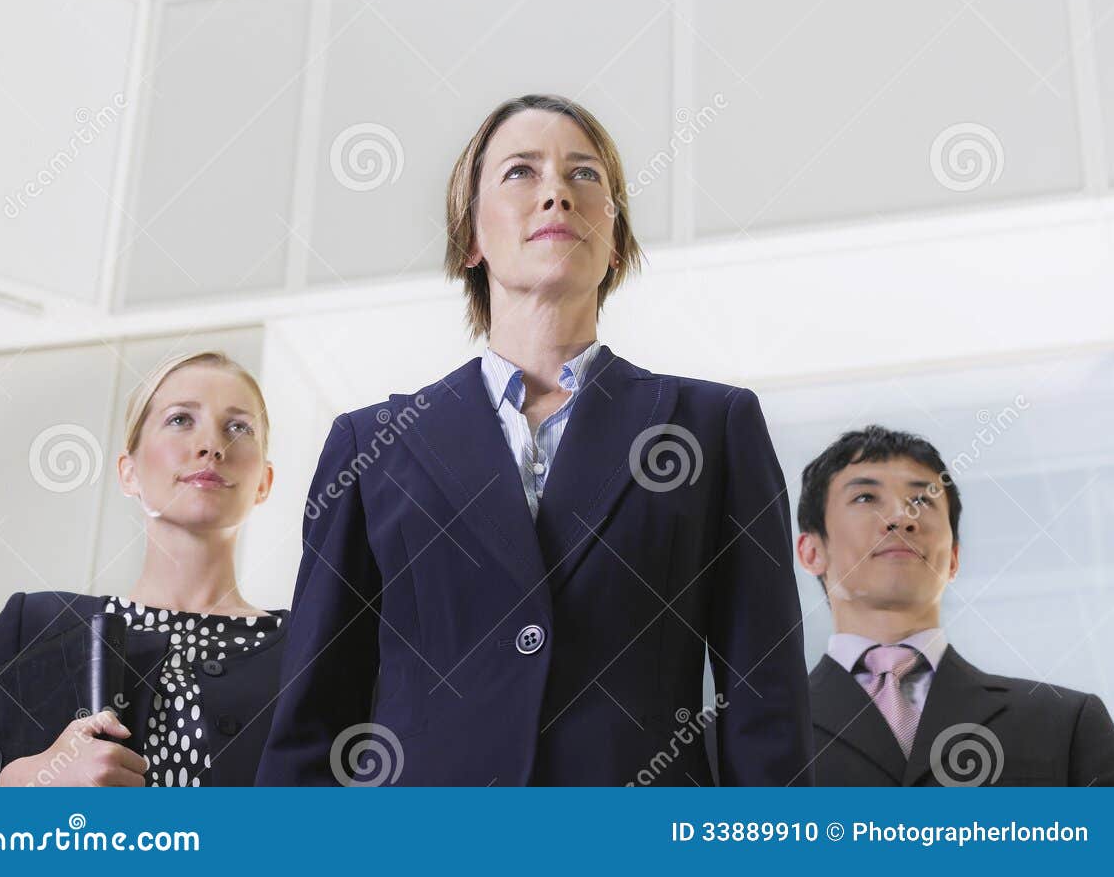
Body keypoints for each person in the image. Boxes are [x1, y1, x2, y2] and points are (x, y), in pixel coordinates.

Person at [256, 93, 813, 786]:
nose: (556, 193)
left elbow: (764, 699)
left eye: (585, 176)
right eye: (521, 172)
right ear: (471, 238)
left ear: (614, 242)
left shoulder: (713, 427)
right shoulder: (373, 447)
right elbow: (314, 715)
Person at [0, 350, 286, 787]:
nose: (211, 445)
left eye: (238, 427)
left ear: (263, 482)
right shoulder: (35, 627)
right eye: (180, 420)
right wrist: (25, 783)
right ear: (128, 472)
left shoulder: (311, 648)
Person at [796, 424, 1114, 787]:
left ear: (953, 558)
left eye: (922, 500)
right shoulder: (748, 736)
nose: (902, 518)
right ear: (811, 551)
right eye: (866, 498)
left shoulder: (1067, 725)